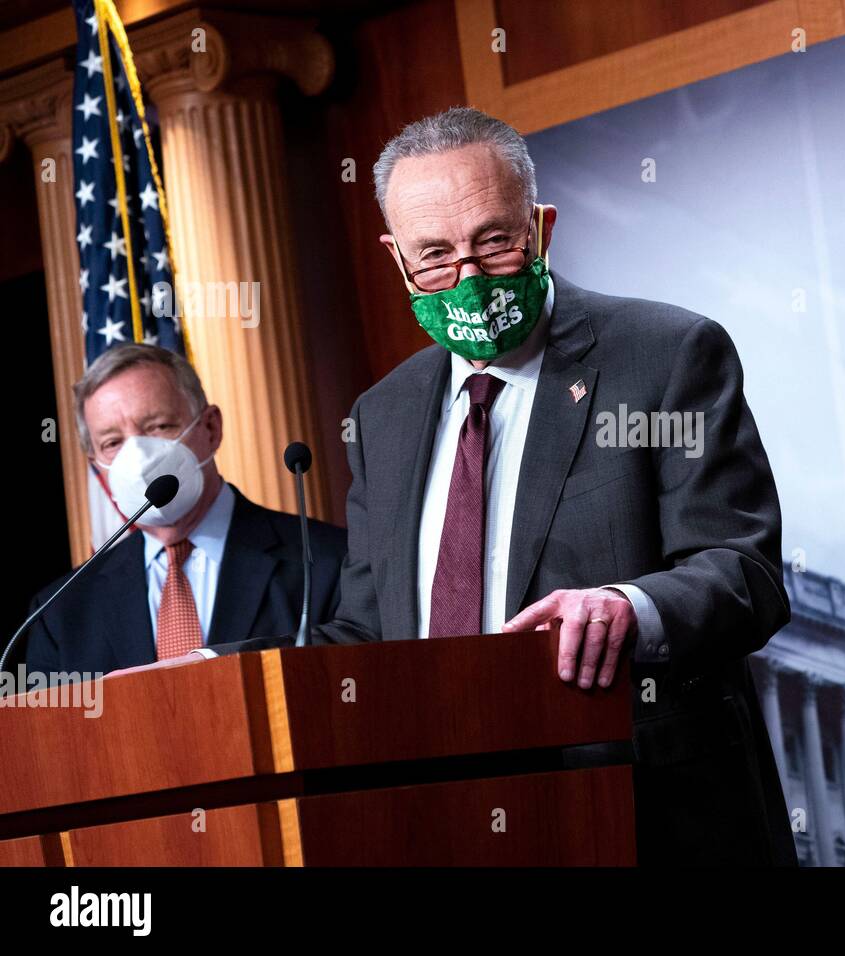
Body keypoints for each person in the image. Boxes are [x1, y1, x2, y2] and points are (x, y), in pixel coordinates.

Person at [194, 107, 795, 865]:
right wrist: (219, 671)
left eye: (494, 242)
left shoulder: (665, 355)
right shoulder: (382, 415)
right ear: (396, 258)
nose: (469, 280)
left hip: (643, 816)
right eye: (436, 256)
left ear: (541, 227)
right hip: (448, 821)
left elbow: (743, 572)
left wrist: (625, 607)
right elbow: (370, 634)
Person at [24, 344, 347, 676]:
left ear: (210, 428)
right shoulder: (60, 610)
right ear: (97, 466)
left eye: (159, 426)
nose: (138, 455)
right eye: (112, 442)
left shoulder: (329, 562)